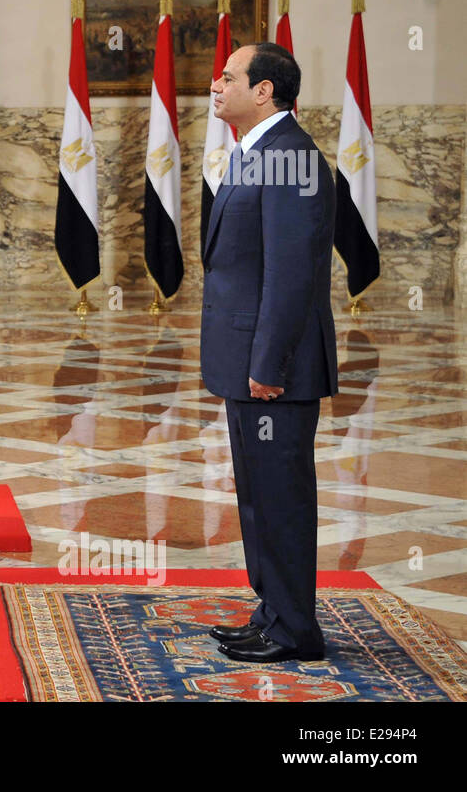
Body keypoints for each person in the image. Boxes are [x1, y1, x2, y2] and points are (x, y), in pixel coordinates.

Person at [202, 42, 338, 663]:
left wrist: (267, 366)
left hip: (271, 370)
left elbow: (291, 275)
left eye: (227, 77)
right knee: (257, 493)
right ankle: (273, 613)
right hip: (248, 360)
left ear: (263, 91)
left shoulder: (294, 159)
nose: (214, 85)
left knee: (281, 496)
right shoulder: (258, 152)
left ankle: (295, 631)